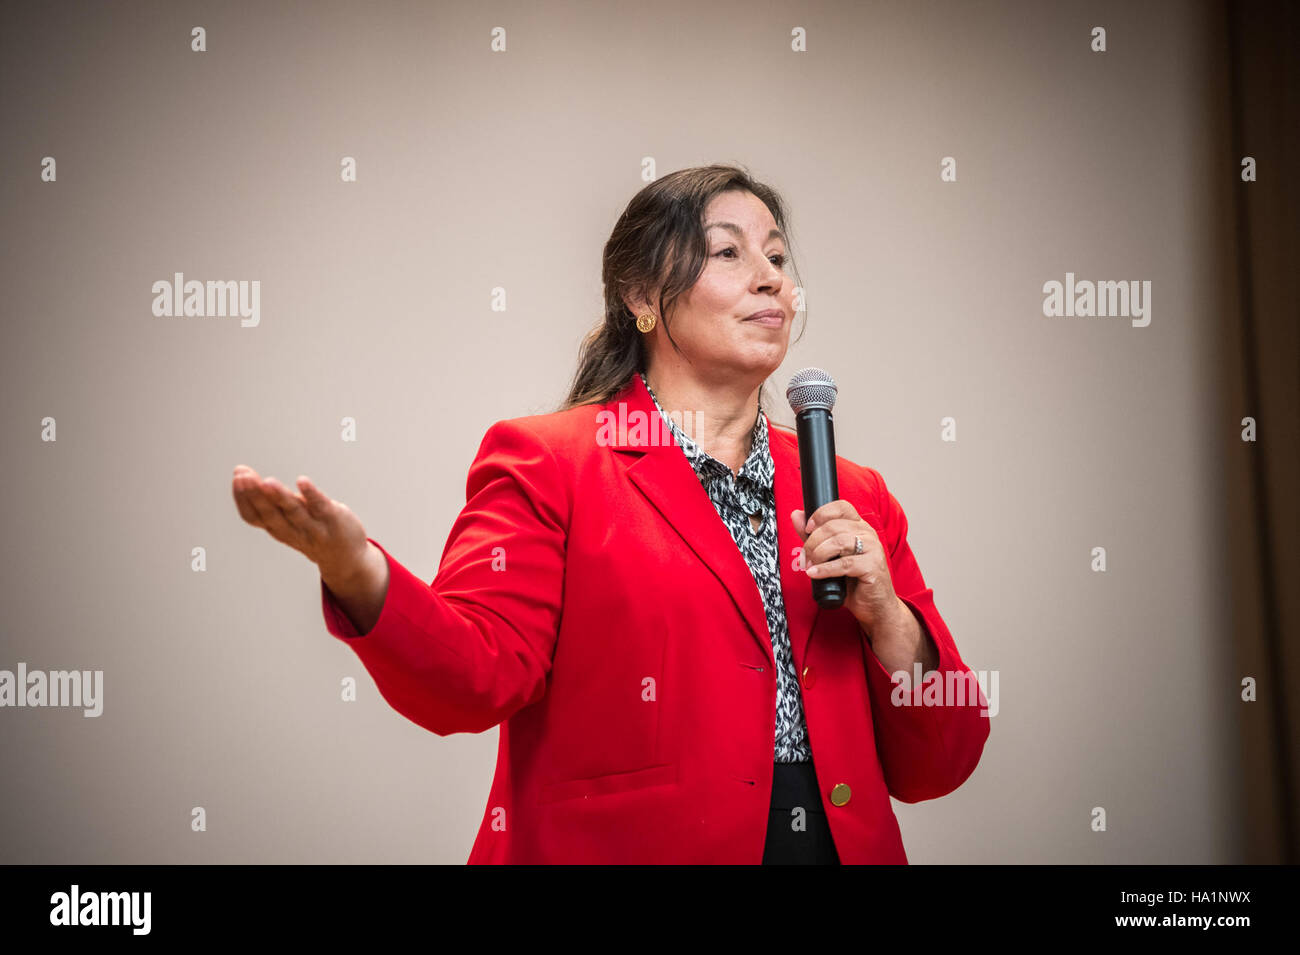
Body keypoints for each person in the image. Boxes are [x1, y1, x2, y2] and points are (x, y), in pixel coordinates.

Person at [231, 163, 991, 864]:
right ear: (640, 298)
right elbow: (472, 677)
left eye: (780, 259)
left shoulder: (852, 492)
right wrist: (358, 570)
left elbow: (942, 762)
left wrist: (889, 618)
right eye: (728, 254)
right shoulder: (549, 462)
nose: (770, 280)